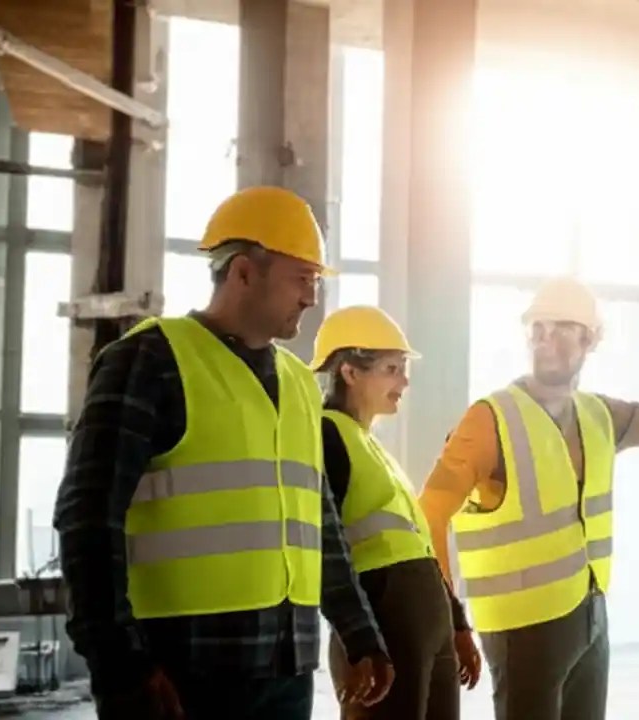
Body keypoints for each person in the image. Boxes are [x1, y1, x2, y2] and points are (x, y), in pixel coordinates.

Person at [54, 186, 394, 720]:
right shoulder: (149, 360)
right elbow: (88, 518)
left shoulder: (300, 385)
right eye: (301, 278)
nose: (311, 297)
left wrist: (359, 631)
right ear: (242, 273)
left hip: (286, 668)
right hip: (176, 672)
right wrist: (118, 663)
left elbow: (319, 522)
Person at [418, 276, 639, 720]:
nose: (546, 339)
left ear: (591, 339)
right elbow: (427, 516)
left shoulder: (599, 414)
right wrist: (453, 621)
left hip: (589, 617)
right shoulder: (489, 420)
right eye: (537, 329)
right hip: (521, 631)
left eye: (561, 328)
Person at [313, 305, 483, 720]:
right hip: (385, 620)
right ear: (350, 372)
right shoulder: (327, 436)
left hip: (427, 624)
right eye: (392, 369)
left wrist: (457, 623)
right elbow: (321, 542)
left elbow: (419, 544)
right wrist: (359, 639)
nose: (404, 381)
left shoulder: (371, 445)